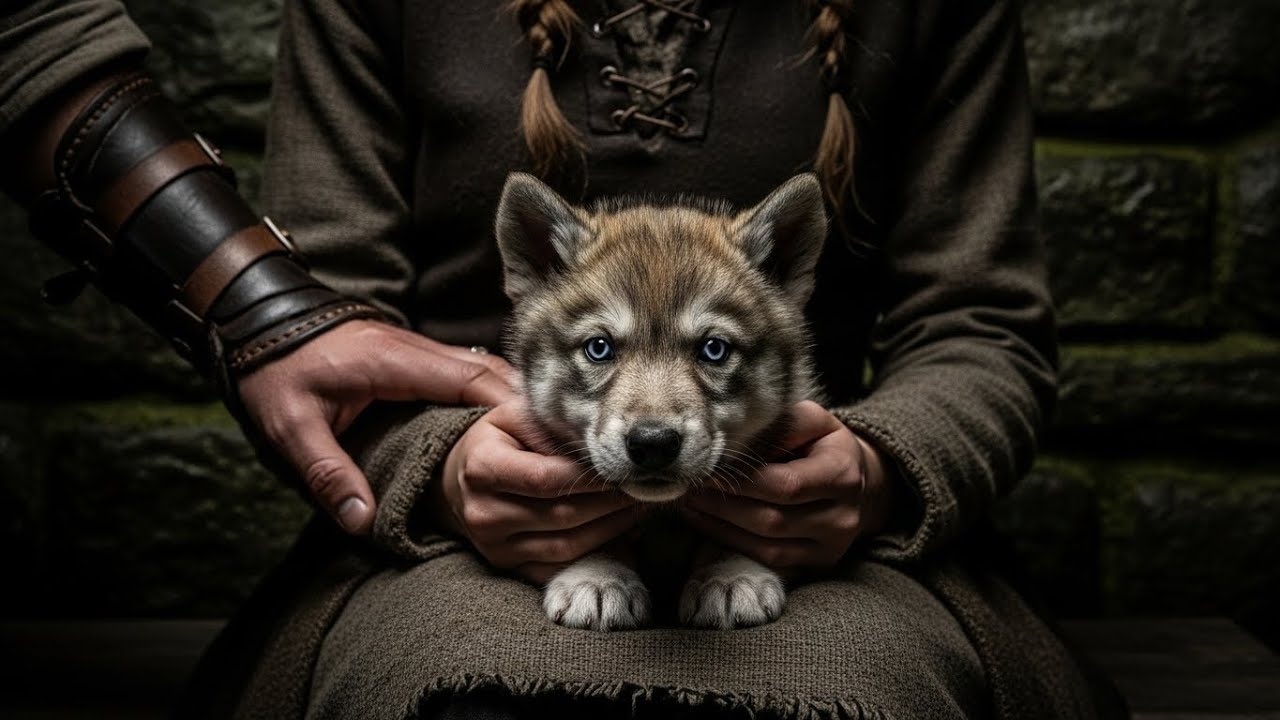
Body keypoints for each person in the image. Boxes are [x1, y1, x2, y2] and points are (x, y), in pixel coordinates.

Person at [2, 1, 1113, 718]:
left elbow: (981, 330)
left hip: (824, 529)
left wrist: (875, 470)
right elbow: (319, 324)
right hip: (450, 537)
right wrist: (439, 464)